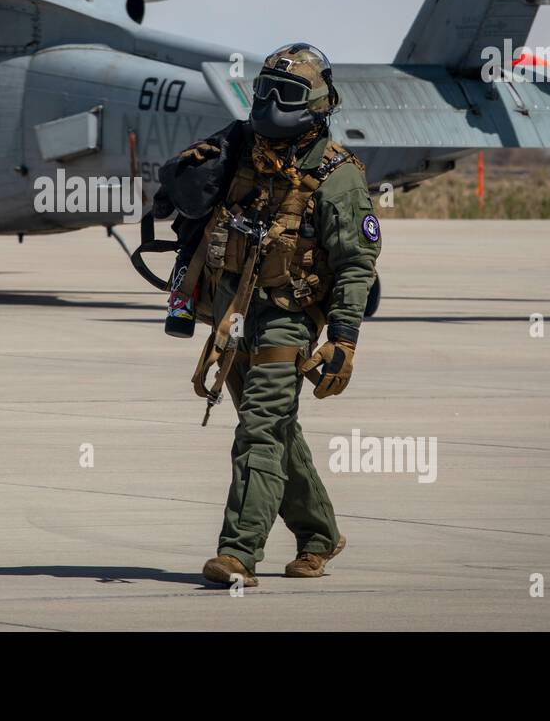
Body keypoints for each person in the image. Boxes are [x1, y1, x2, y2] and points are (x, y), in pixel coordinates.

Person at [154, 43, 381, 587]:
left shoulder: (338, 177)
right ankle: (321, 534)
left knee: (257, 430)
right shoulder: (235, 150)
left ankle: (237, 553)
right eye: (265, 90)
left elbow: (355, 265)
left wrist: (344, 340)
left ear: (319, 103)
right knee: (276, 428)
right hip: (231, 315)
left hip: (288, 316)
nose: (272, 102)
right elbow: (184, 199)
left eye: (289, 94)